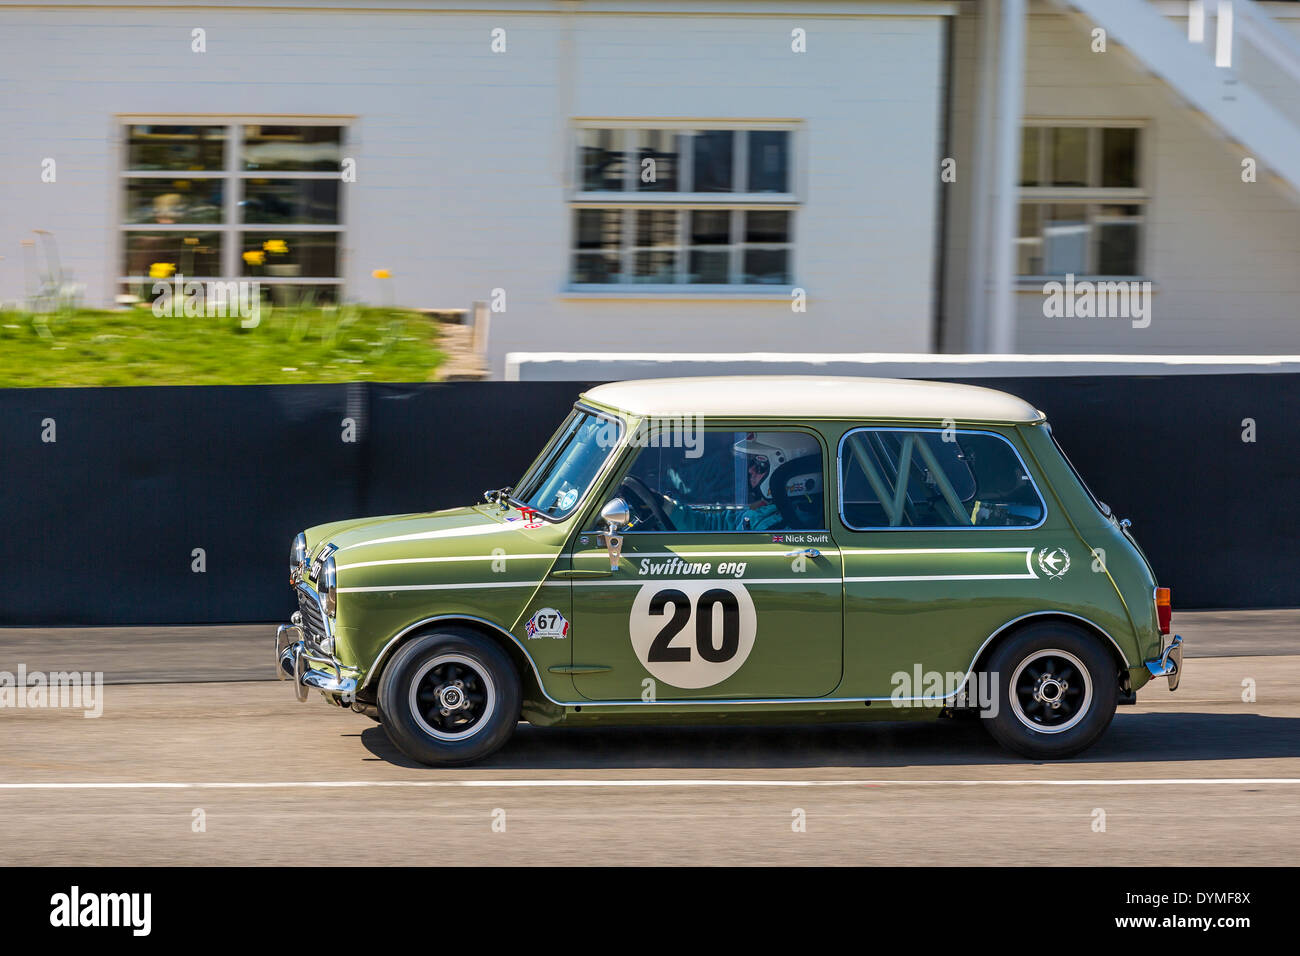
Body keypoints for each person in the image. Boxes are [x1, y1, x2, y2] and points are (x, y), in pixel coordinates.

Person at [664, 432, 820, 532]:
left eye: (760, 466)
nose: (751, 470)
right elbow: (714, 526)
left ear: (788, 471)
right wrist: (669, 508)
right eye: (752, 464)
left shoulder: (793, 525)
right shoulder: (768, 510)